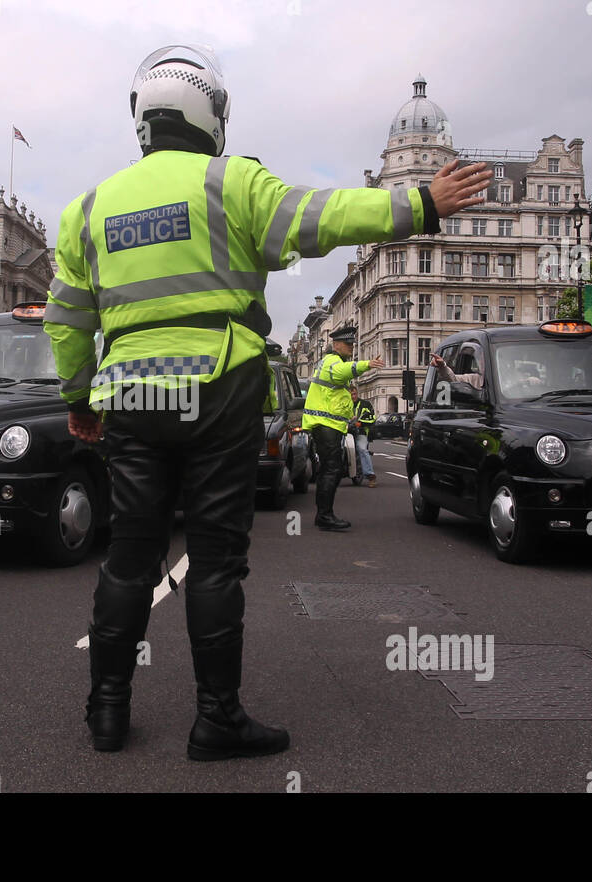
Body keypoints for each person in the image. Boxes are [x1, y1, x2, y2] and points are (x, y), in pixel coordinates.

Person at [43, 43, 492, 759]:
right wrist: (419, 202)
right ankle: (216, 720)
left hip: (128, 392)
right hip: (221, 386)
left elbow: (67, 320)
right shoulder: (232, 183)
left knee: (129, 557)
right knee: (216, 561)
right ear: (211, 113)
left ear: (145, 117)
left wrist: (78, 397)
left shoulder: (89, 210)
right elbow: (322, 217)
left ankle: (106, 714)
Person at [304, 327, 384, 529]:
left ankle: (323, 514)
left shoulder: (330, 361)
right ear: (337, 345)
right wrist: (367, 364)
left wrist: (350, 415)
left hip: (329, 425)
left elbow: (335, 394)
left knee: (328, 469)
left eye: (352, 344)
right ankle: (325, 516)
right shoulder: (333, 361)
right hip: (326, 425)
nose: (351, 348)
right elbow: (340, 374)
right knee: (332, 469)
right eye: (348, 344)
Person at [349, 388, 377, 488]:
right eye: (351, 394)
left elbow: (372, 418)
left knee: (361, 449)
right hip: (344, 432)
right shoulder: (343, 405)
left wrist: (359, 423)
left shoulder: (365, 404)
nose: (353, 396)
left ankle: (371, 475)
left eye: (354, 394)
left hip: (360, 432)